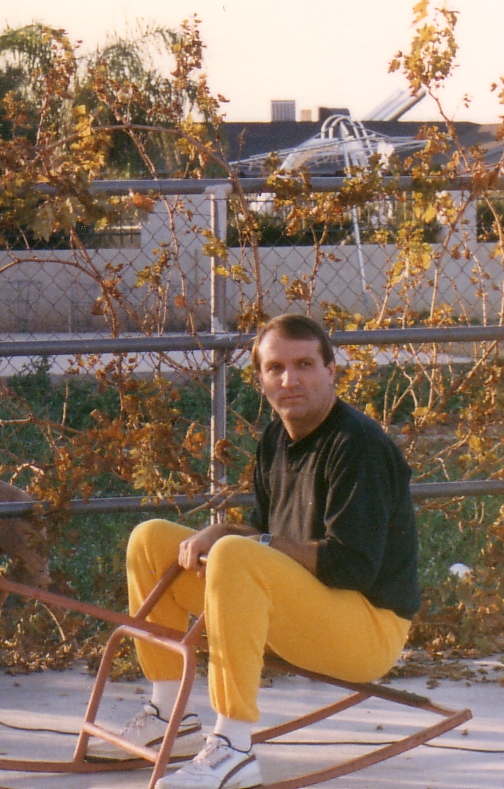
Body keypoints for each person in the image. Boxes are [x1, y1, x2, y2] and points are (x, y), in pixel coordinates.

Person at [90, 314, 420, 789]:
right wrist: (224, 529)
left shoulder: (358, 445)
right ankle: (169, 716)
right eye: (275, 368)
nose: (290, 380)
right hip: (304, 607)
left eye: (304, 364)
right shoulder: (276, 439)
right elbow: (267, 535)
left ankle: (234, 747)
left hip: (368, 627)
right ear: (261, 379)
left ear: (331, 371)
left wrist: (246, 543)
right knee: (151, 539)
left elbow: (351, 566)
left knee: (235, 553)